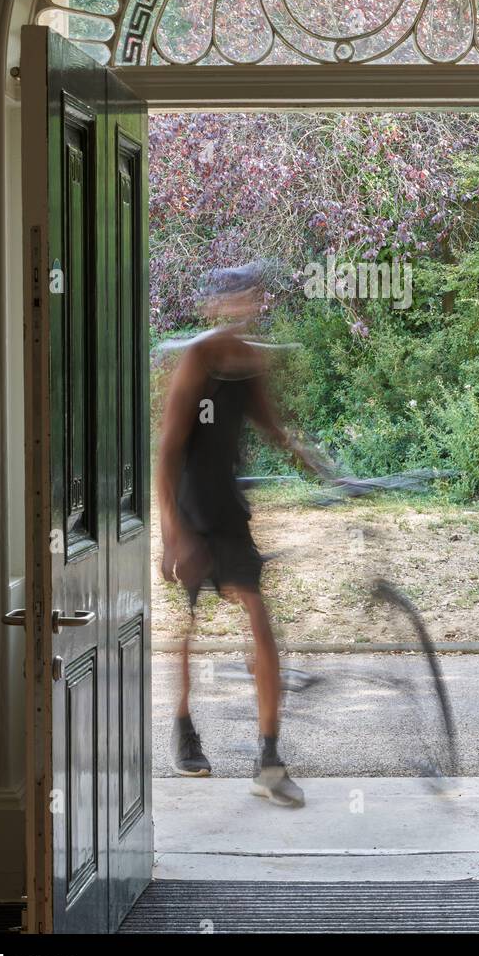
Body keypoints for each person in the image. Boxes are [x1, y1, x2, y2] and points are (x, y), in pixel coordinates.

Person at [156, 261, 328, 807]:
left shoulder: (248, 360)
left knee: (258, 617)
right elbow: (166, 451)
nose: (242, 306)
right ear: (215, 304)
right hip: (191, 507)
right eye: (232, 297)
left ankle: (269, 759)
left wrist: (317, 463)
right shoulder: (198, 358)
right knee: (188, 622)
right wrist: (171, 534)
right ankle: (184, 726)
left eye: (250, 296)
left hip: (228, 508)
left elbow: (272, 427)